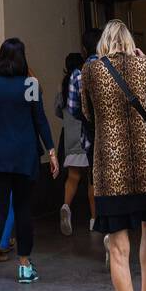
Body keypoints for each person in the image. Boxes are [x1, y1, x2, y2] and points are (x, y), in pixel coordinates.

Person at [79, 20, 146, 291]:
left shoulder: (91, 69)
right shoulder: (143, 63)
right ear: (129, 42)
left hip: (110, 170)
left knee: (118, 248)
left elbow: (86, 113)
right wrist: (145, 64)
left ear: (104, 42)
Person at [0, 37, 58, 291]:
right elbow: (40, 119)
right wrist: (52, 151)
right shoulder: (30, 84)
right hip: (24, 157)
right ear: (23, 58)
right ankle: (24, 265)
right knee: (22, 209)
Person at [56, 52, 89, 236]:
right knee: (92, 179)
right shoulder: (83, 85)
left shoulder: (63, 88)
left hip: (70, 139)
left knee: (73, 177)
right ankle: (94, 219)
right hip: (86, 137)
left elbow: (58, 110)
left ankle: (66, 206)